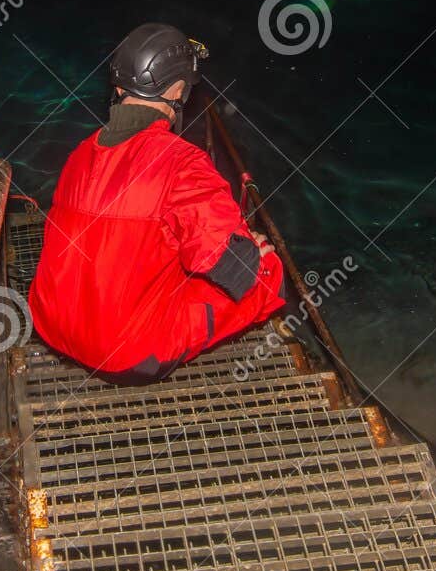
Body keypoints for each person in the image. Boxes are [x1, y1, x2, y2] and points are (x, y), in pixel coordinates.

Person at [29, 23, 286, 383]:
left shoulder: (80, 153)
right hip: (127, 354)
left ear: (119, 88)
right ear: (178, 90)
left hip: (53, 326)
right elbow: (235, 269)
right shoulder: (182, 163)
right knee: (267, 275)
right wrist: (258, 254)